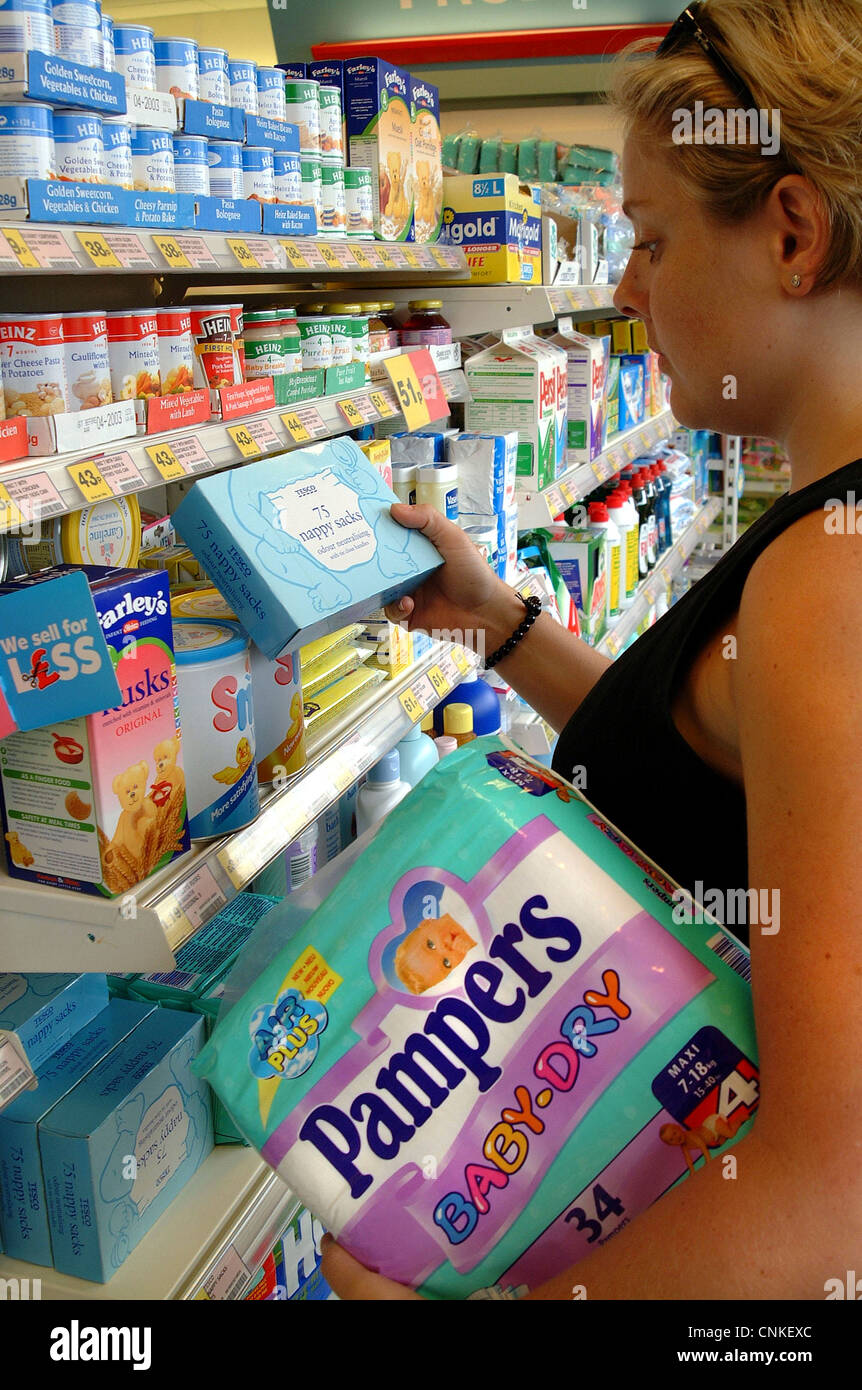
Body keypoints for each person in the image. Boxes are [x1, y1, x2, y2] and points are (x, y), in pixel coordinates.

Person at [322, 0, 862, 1299]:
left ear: (789, 235)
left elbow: (824, 1190)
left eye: (650, 237)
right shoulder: (816, 545)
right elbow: (705, 749)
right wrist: (501, 625)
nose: (622, 288)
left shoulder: (826, 581)